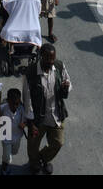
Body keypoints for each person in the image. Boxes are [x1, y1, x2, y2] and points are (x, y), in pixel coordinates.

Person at [23, 44, 71, 174]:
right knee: (33, 145)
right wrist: (31, 122)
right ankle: (34, 163)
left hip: (56, 114)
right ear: (41, 57)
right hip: (38, 118)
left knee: (58, 143)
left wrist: (66, 86)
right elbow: (27, 99)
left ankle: (42, 159)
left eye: (53, 59)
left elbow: (68, 82)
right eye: (48, 59)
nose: (51, 62)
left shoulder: (59, 66)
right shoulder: (31, 73)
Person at [0, 88, 28, 174]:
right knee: (7, 157)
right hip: (6, 136)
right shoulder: (3, 108)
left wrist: (24, 124)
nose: (15, 106)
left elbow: (26, 120)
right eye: (12, 104)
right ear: (8, 101)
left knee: (14, 151)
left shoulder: (22, 109)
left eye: (17, 104)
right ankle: (4, 168)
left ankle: (6, 161)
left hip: (17, 136)